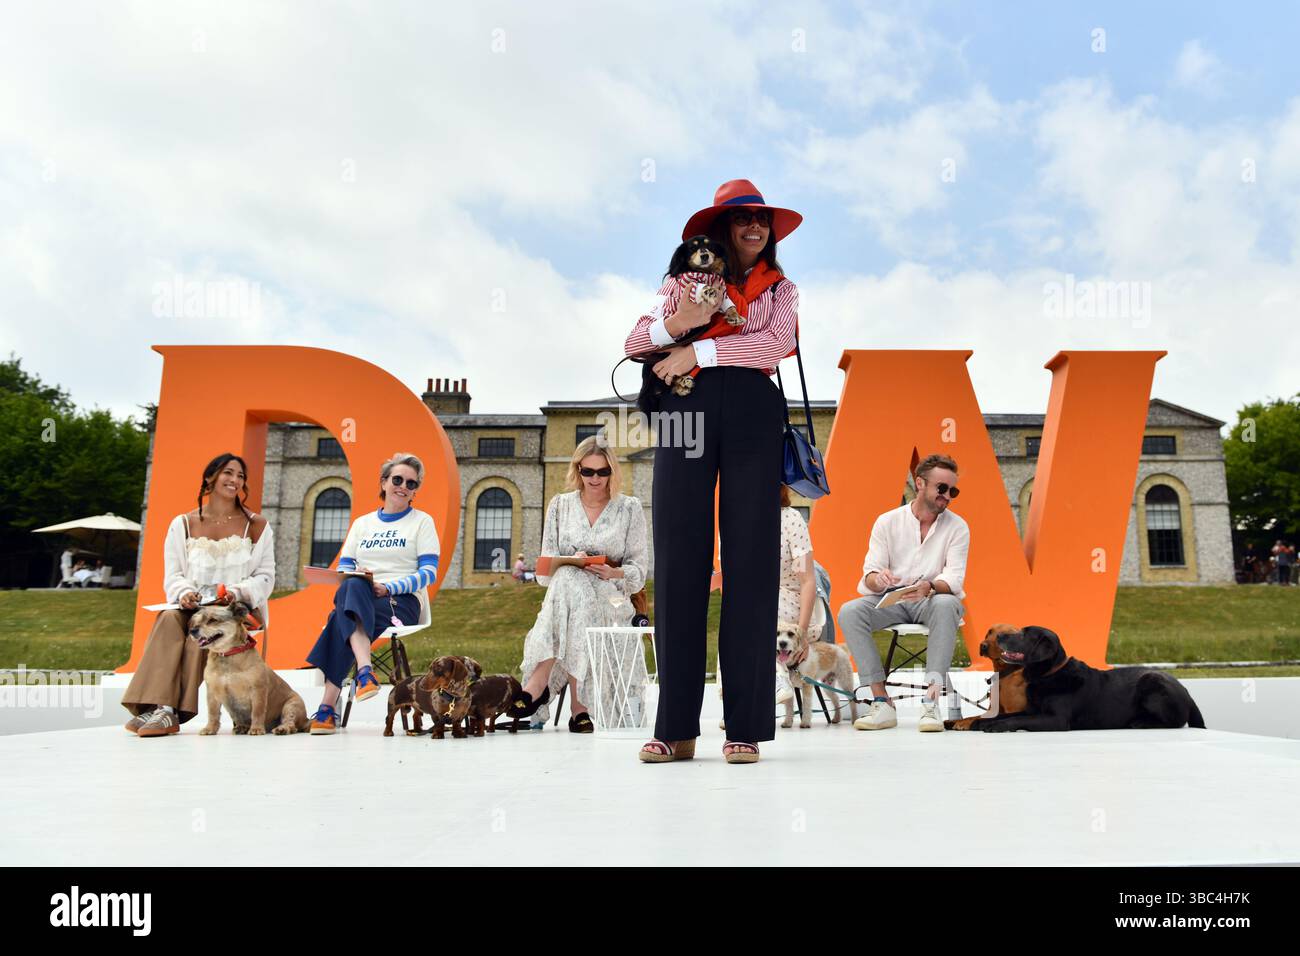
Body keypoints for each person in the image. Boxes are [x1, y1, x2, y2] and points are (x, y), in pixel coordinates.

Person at [624, 178, 801, 764]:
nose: (754, 227)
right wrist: (682, 324)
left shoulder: (782, 288)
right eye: (742, 218)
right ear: (722, 227)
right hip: (685, 411)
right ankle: (675, 727)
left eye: (762, 219)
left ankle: (744, 725)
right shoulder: (683, 282)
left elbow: (774, 345)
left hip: (752, 412)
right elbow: (634, 339)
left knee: (751, 559)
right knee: (678, 555)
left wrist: (698, 350)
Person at [121, 453, 277, 737]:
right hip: (191, 606)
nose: (235, 480)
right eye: (228, 473)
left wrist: (236, 592)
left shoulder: (256, 525)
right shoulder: (181, 524)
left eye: (240, 476)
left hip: (234, 611)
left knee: (201, 632)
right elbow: (173, 574)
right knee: (168, 618)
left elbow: (266, 577)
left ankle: (170, 712)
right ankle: (158, 708)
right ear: (210, 477)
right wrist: (183, 593)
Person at [510, 436, 648, 732]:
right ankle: (579, 707)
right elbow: (545, 573)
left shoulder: (629, 508)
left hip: (612, 598)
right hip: (566, 593)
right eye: (588, 472)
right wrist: (572, 559)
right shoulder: (560, 506)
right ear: (578, 470)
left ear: (613, 472)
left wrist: (614, 573)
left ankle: (538, 684)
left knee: (572, 587)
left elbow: (639, 571)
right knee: (570, 578)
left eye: (603, 472)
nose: (595, 479)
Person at [305, 453, 439, 734]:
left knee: (340, 617)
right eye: (397, 479)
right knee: (352, 585)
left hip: (399, 603)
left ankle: (327, 708)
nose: (403, 486)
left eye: (411, 483)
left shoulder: (421, 522)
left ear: (416, 490)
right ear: (384, 482)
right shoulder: (363, 524)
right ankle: (365, 671)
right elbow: (344, 566)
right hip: (362, 595)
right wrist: (361, 578)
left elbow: (429, 573)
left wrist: (388, 587)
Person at [838, 454, 970, 734]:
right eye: (942, 488)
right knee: (850, 611)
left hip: (931, 599)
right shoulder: (887, 522)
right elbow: (870, 574)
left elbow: (954, 578)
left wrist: (930, 587)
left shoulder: (958, 527)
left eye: (953, 491)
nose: (948, 496)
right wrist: (878, 579)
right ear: (920, 483)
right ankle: (881, 701)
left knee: (947, 604)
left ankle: (930, 701)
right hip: (893, 598)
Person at [775, 485, 825, 704]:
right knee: (737, 613)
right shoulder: (735, 520)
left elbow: (807, 580)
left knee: (758, 603)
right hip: (754, 603)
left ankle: (776, 679)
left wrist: (803, 634)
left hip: (793, 605)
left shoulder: (792, 520)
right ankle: (732, 699)